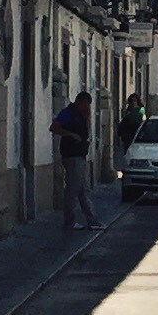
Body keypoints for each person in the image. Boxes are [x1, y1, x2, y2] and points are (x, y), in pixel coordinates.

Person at [52, 85, 94, 232]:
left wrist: (88, 116)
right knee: (73, 191)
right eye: (86, 105)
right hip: (72, 157)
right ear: (80, 102)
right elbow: (54, 127)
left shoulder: (83, 115)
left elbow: (87, 132)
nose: (87, 108)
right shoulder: (68, 113)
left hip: (80, 156)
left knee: (83, 190)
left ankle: (91, 221)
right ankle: (70, 222)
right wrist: (70, 134)